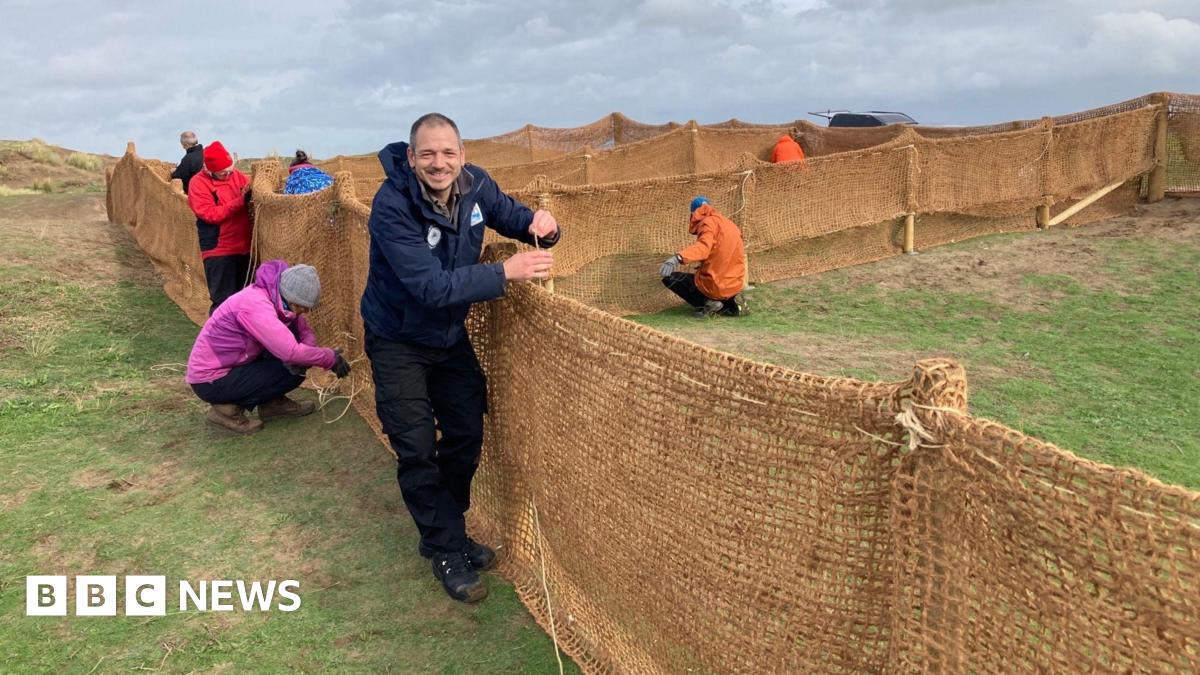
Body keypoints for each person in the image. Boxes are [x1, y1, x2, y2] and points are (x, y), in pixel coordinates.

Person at [360, 112, 560, 603]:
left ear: (462, 155)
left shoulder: (476, 187)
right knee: (416, 446)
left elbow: (514, 217)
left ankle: (444, 529)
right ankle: (447, 548)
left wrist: (543, 226)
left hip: (447, 338)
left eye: (448, 152)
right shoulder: (390, 206)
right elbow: (428, 287)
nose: (439, 163)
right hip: (397, 339)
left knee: (467, 432)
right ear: (411, 158)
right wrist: (505, 273)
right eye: (427, 153)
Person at [186, 260, 351, 434]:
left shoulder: (277, 297)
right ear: (290, 297)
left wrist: (310, 352)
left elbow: (303, 330)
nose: (305, 312)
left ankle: (271, 404)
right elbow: (290, 352)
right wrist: (329, 358)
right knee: (290, 371)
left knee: (297, 364)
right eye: (302, 307)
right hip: (210, 380)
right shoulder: (256, 306)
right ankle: (225, 412)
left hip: (234, 364)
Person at [187, 140, 254, 315]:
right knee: (223, 302)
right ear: (210, 170)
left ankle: (243, 341)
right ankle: (217, 340)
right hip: (219, 250)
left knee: (246, 300)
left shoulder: (238, 177)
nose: (227, 174)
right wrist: (240, 201)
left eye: (229, 170)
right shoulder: (198, 184)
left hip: (245, 249)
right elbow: (210, 214)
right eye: (222, 173)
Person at [659, 196, 746, 317]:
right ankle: (732, 301)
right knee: (720, 284)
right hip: (735, 282)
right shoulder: (729, 223)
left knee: (671, 278)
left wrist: (677, 258)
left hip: (715, 285)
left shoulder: (707, 223)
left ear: (693, 213)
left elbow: (703, 248)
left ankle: (709, 303)